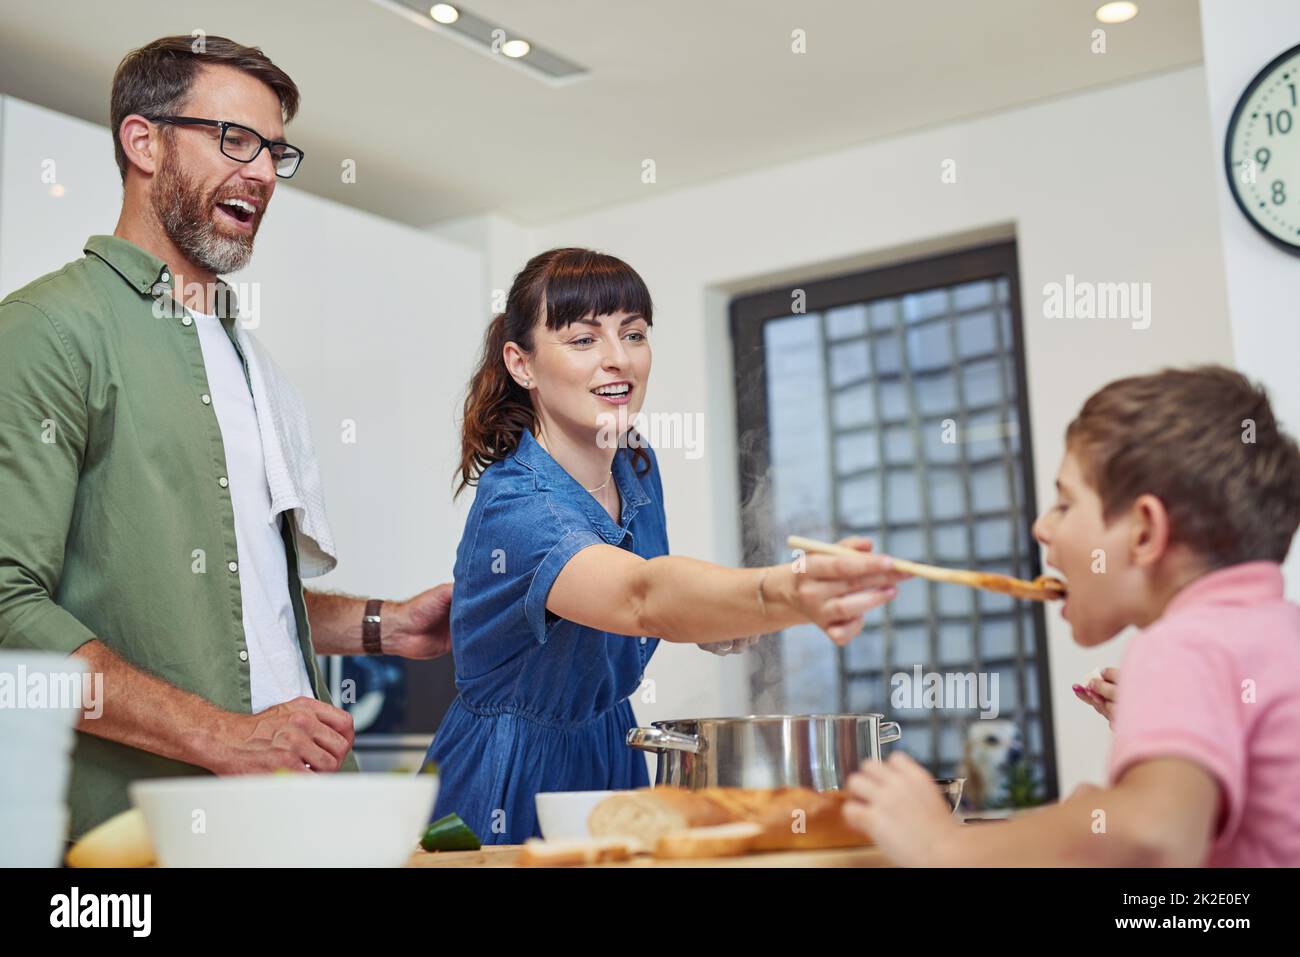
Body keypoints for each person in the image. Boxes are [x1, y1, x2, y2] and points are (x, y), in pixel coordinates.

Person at [0, 35, 452, 840]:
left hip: (307, 811)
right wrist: (224, 732)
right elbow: (8, 613)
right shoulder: (48, 330)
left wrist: (387, 623)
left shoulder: (249, 359)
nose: (264, 172)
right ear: (143, 142)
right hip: (155, 833)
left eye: (276, 151)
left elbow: (231, 599)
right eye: (234, 140)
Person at [425, 247, 908, 844]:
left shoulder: (636, 463)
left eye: (633, 334)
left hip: (610, 748)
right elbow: (640, 598)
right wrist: (782, 589)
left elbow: (648, 591)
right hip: (508, 770)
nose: (618, 359)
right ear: (521, 364)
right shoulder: (518, 507)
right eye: (583, 340)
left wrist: (712, 617)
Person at [843, 366, 1300, 866]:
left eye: (1065, 502)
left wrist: (946, 845)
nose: (1042, 527)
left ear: (1144, 532)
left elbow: (1152, 833)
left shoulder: (1182, 643)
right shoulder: (1277, 631)